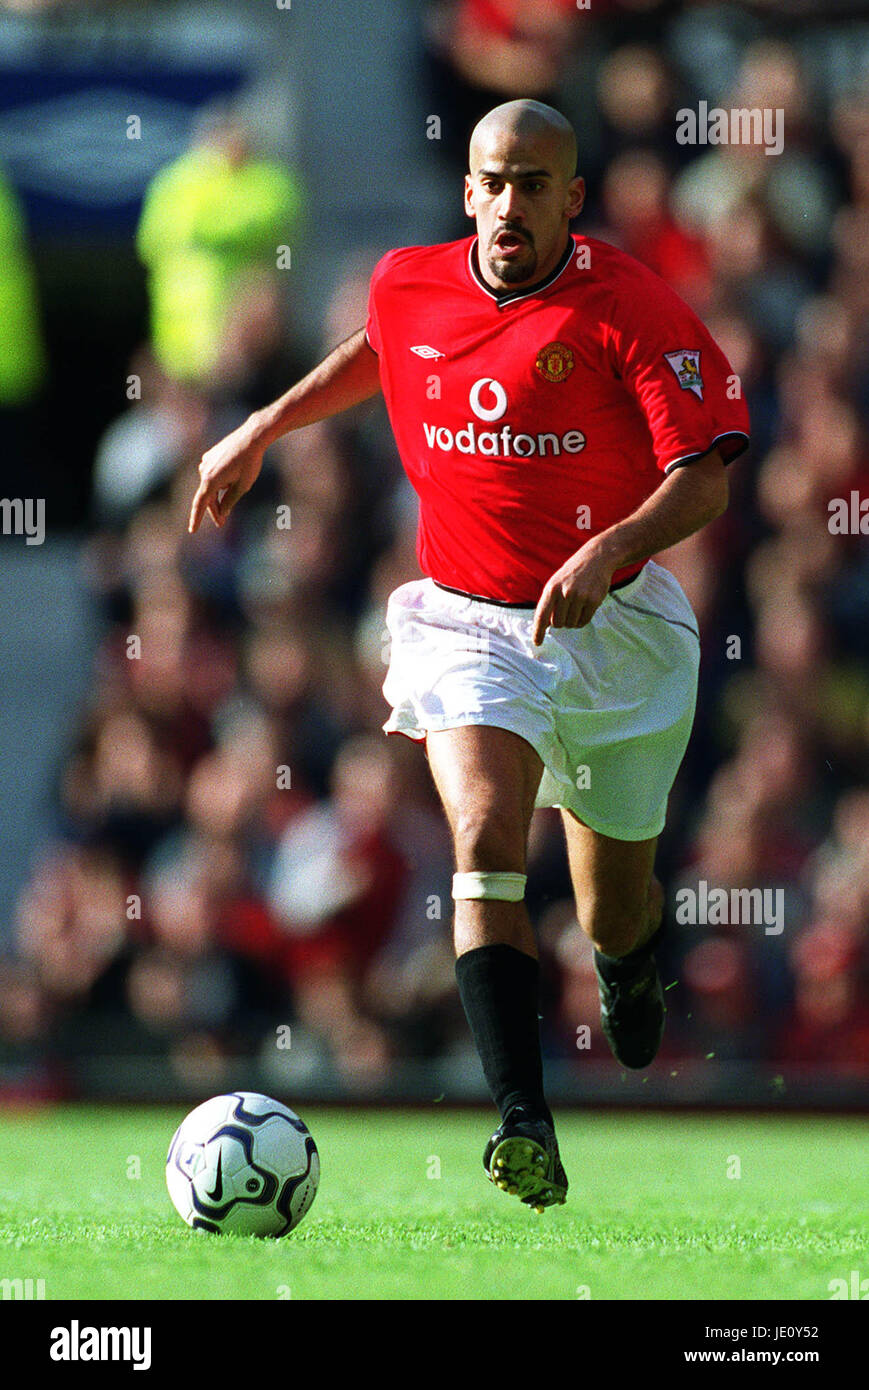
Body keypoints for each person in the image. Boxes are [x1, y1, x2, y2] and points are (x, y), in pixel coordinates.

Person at [188, 99, 750, 1213]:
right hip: (464, 621)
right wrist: (263, 425)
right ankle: (521, 1120)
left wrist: (609, 546)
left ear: (571, 199)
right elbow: (383, 350)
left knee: (610, 908)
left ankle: (629, 966)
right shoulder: (410, 280)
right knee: (483, 830)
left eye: (533, 184)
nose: (508, 204)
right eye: (492, 182)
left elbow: (706, 475)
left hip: (614, 629)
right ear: (467, 193)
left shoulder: (626, 304)